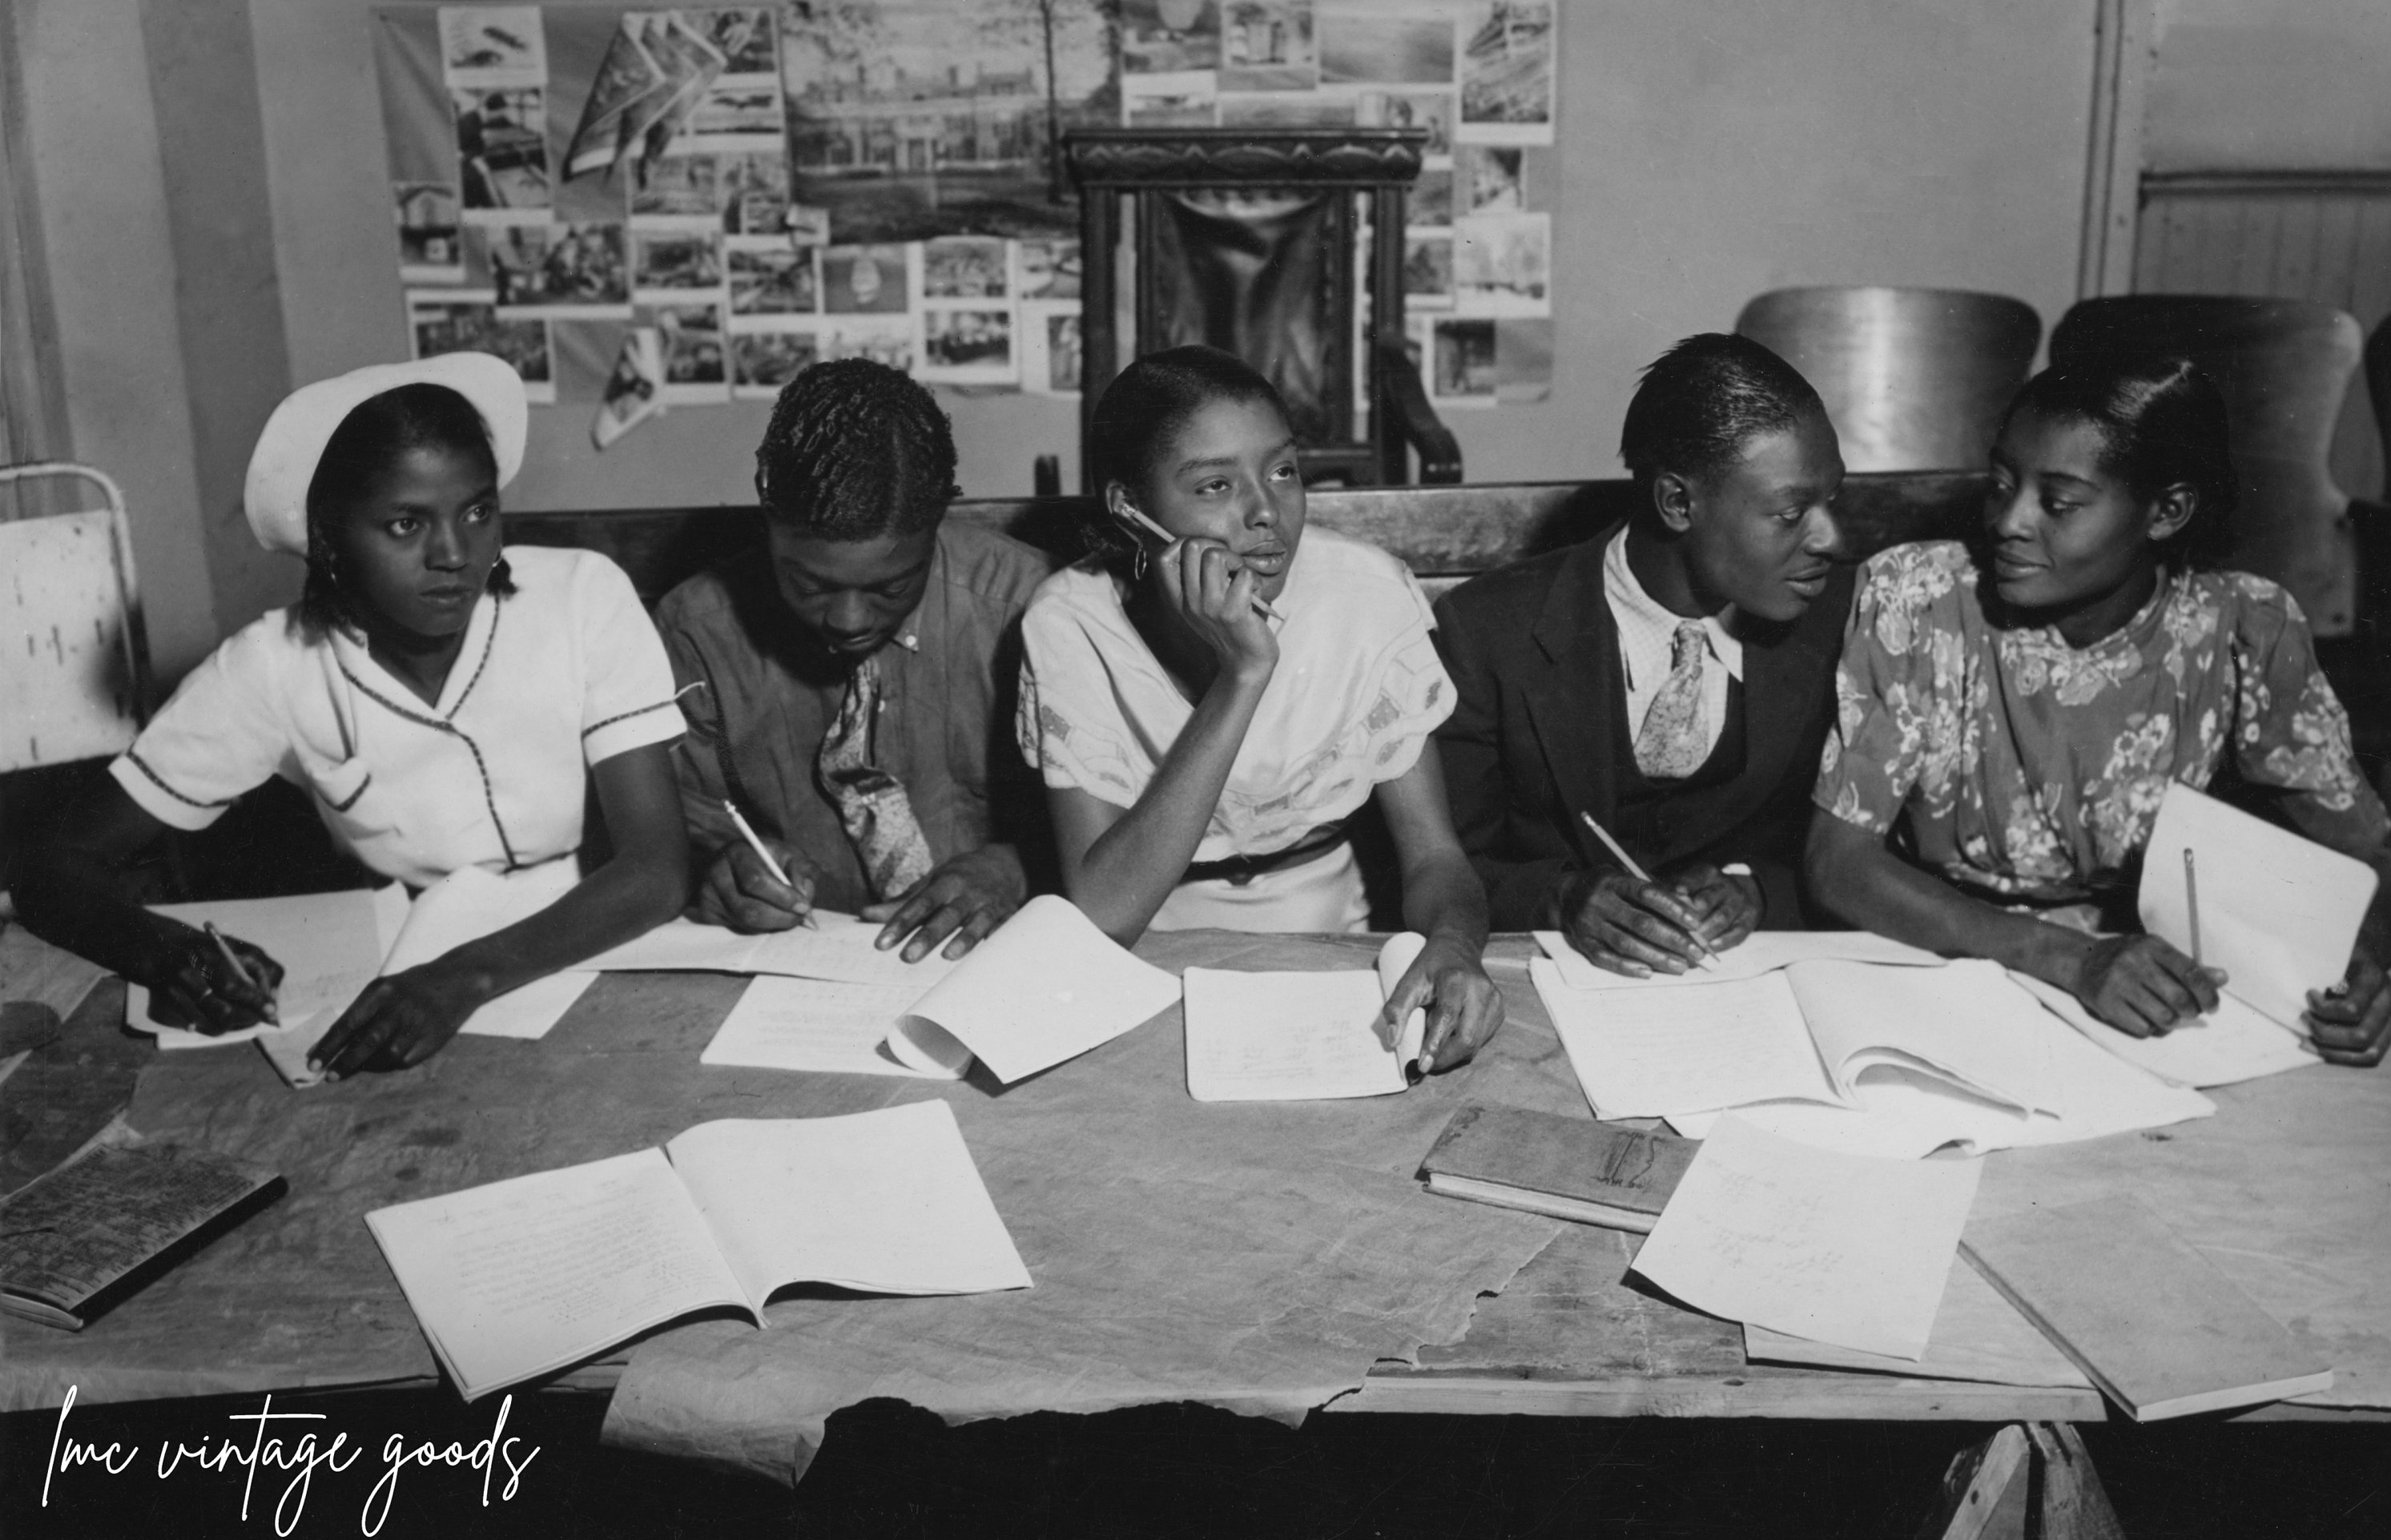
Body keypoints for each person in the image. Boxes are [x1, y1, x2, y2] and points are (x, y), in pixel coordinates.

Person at [14, 354, 691, 1077]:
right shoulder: (273, 666)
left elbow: (656, 871)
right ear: (330, 542)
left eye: (477, 511)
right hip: (402, 970)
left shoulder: (581, 597)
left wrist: (465, 978)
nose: (454, 553)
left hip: (603, 934)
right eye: (405, 523)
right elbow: (51, 865)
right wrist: (169, 953)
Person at [1805, 356, 2391, 1063]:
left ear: (2167, 511)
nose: (2009, 522)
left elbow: (2371, 857)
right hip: (1935, 959)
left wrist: (2361, 964)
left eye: (2059, 503)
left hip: (2145, 990)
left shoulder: (2244, 625)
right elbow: (1838, 864)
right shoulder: (1919, 597)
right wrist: (2070, 959)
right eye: (2001, 484)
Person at [1016, 346, 1502, 1070]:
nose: (1267, 512)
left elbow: (1435, 857)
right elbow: (1105, 915)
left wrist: (1455, 945)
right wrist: (1242, 674)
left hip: (1339, 961)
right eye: (1215, 485)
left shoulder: (1365, 592)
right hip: (1147, 969)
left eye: (1282, 471)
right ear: (1129, 507)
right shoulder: (1071, 624)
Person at [1431, 333, 1851, 976]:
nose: (1831, 538)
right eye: (1792, 512)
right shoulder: (1488, 630)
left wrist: (1760, 889)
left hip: (1755, 980)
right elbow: (1441, 866)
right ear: (1678, 503)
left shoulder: (1842, 619)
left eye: (1832, 500)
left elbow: (1867, 850)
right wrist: (1562, 898)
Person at [656, 359, 1051, 960]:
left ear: (938, 521)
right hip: (807, 960)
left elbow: (1124, 818)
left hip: (1009, 954)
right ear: (767, 510)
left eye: (891, 588)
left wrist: (1018, 868)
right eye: (809, 583)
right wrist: (723, 868)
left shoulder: (1034, 609)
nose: (849, 620)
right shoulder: (697, 634)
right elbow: (676, 828)